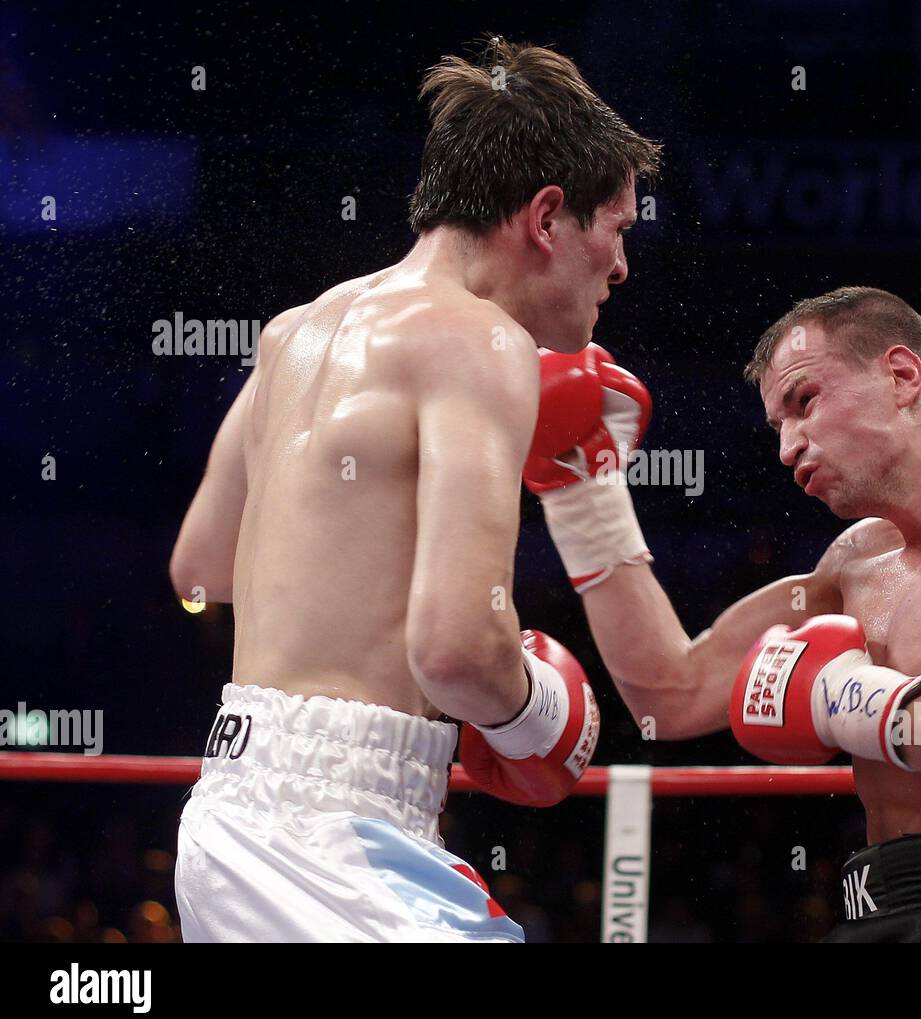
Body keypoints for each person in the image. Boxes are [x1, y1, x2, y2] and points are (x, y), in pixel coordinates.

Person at [167, 38, 660, 942]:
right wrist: (540, 714)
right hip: (337, 841)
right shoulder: (482, 342)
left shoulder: (292, 333)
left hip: (226, 815)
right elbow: (458, 651)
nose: (621, 265)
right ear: (547, 216)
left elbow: (200, 571)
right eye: (618, 228)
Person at [526, 286, 921, 942]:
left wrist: (849, 700)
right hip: (879, 910)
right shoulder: (857, 560)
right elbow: (672, 692)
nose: (787, 448)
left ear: (902, 375)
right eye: (778, 426)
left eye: (805, 403)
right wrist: (584, 495)